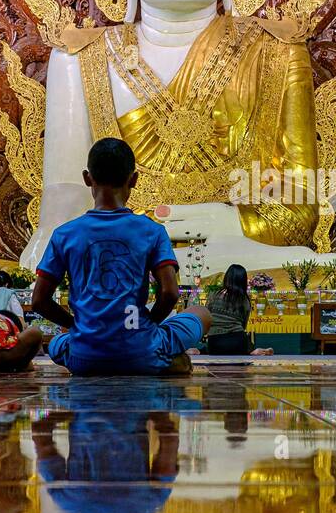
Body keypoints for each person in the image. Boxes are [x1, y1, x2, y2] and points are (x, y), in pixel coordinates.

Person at [31, 137, 211, 376]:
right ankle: (160, 357)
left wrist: (76, 326)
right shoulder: (152, 230)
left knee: (57, 343)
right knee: (202, 314)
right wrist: (147, 325)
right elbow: (169, 293)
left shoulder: (64, 234)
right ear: (134, 179)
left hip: (84, 356)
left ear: (87, 178)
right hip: (140, 349)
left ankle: (97, 349)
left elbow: (39, 302)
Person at [204, 264, 273, 355]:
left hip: (215, 341)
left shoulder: (213, 295)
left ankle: (252, 351)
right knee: (245, 348)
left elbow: (206, 317)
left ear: (227, 277)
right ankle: (252, 352)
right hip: (237, 341)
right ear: (243, 281)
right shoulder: (244, 299)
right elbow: (244, 325)